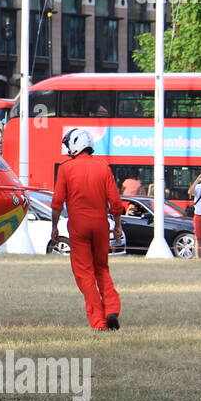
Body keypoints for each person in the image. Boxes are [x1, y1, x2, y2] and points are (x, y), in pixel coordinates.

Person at [50, 128, 125, 331]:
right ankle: (112, 308)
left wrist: (54, 227)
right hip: (101, 225)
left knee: (84, 273)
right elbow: (116, 202)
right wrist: (117, 225)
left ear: (75, 144)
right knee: (102, 268)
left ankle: (99, 322)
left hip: (78, 226)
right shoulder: (103, 167)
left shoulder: (66, 169)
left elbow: (57, 203)